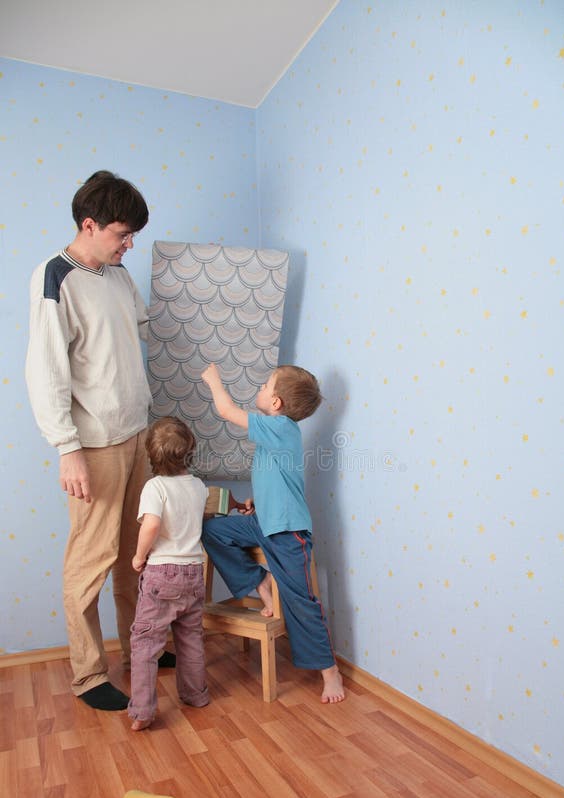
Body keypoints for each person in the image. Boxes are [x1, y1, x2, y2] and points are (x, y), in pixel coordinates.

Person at [25, 170, 173, 711]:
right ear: (89, 225)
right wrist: (68, 448)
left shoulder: (117, 275)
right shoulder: (55, 278)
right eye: (121, 233)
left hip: (136, 435)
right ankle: (89, 675)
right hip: (94, 445)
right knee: (91, 558)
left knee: (137, 552)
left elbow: (133, 332)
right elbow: (46, 372)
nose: (129, 243)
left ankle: (142, 647)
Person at [201, 363, 345, 703]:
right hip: (263, 520)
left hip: (287, 531)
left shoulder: (280, 427)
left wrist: (213, 381)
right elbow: (276, 477)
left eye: (266, 386)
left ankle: (330, 671)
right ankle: (260, 581)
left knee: (301, 600)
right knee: (212, 530)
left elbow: (225, 410)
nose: (261, 389)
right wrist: (256, 501)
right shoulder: (275, 431)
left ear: (277, 402)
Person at [128, 417, 209, 731]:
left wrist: (138, 556)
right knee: (190, 638)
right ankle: (196, 694)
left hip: (163, 574)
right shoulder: (198, 486)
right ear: (190, 450)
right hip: (193, 572)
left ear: (152, 455)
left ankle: (143, 711)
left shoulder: (155, 487)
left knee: (145, 642)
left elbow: (151, 525)